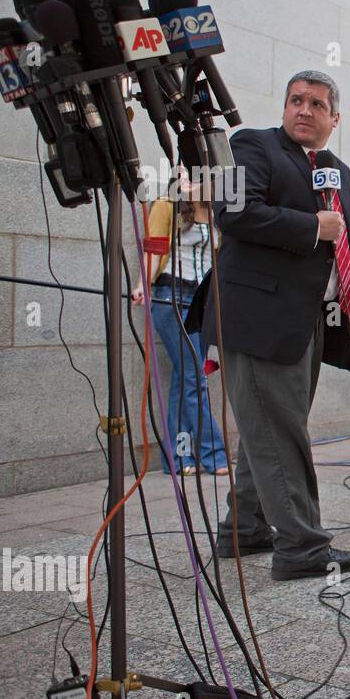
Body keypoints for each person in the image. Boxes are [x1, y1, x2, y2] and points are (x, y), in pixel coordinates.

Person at [204, 71, 350, 581]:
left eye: (316, 103)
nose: (303, 110)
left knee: (269, 427)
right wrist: (310, 226)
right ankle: (302, 548)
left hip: (307, 319)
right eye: (295, 100)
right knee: (280, 430)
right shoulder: (253, 145)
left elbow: (337, 241)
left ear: (335, 118)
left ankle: (243, 528)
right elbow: (233, 212)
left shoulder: (338, 171)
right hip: (258, 316)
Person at [132, 176, 229, 476]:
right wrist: (141, 285)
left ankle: (179, 456)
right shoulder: (167, 206)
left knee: (183, 378)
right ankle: (213, 453)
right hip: (169, 297)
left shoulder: (218, 212)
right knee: (193, 375)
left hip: (202, 302)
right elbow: (153, 251)